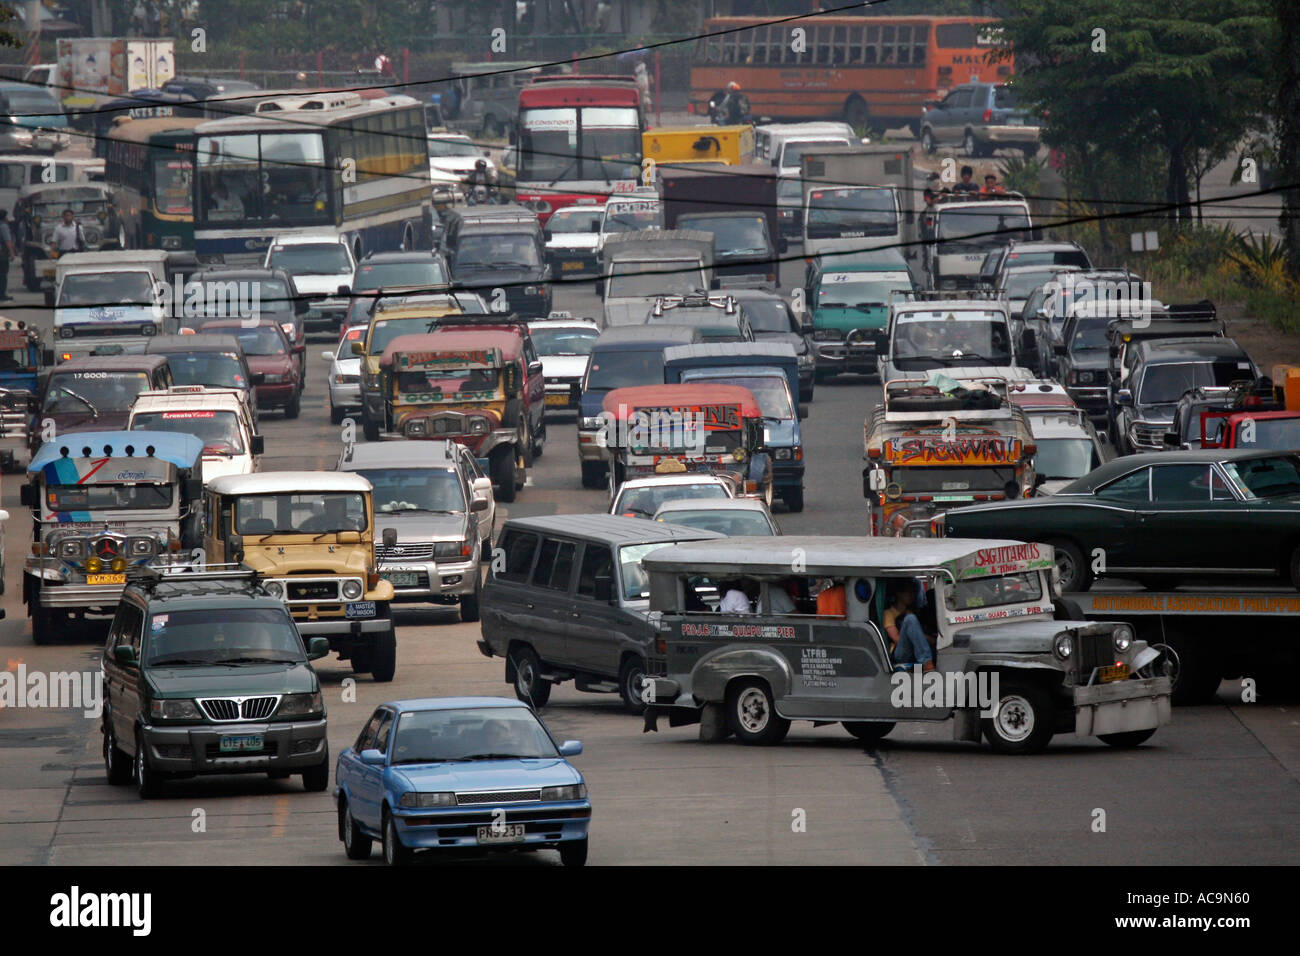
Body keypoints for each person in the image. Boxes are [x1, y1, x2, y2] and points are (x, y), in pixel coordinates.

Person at [0, 210, 14, 304]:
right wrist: (12, 253)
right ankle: (2, 294)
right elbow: (7, 241)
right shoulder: (3, 226)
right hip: (2, 255)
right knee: (3, 275)